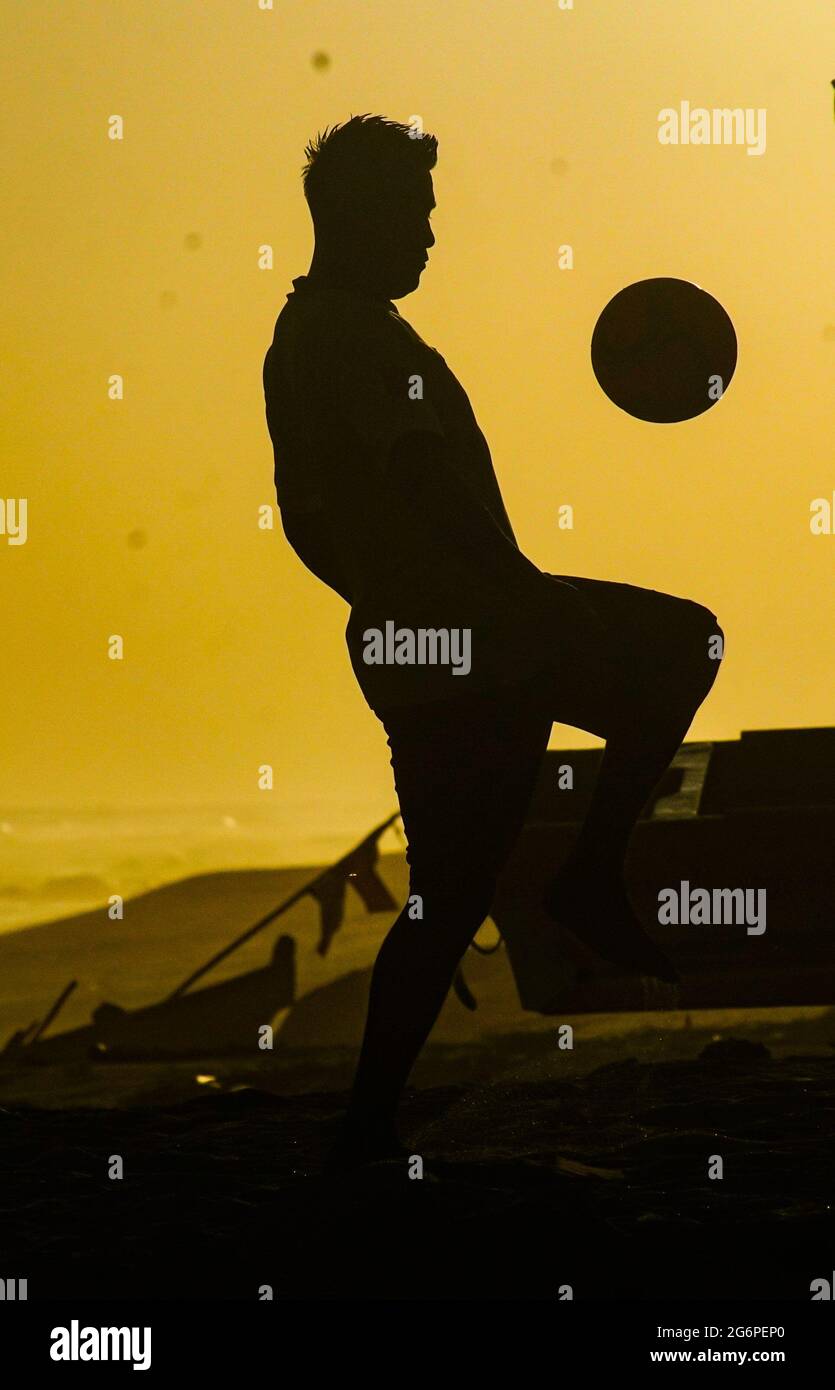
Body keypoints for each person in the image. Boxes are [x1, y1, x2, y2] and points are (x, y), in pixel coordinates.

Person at [262, 115, 723, 1166]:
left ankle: (368, 1120)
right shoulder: (355, 338)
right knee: (684, 644)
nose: (429, 234)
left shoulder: (305, 342)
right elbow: (423, 474)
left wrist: (377, 601)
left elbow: (303, 521)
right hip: (477, 635)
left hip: (428, 641)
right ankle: (591, 873)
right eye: (416, 213)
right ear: (362, 214)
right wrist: (519, 593)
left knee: (449, 893)